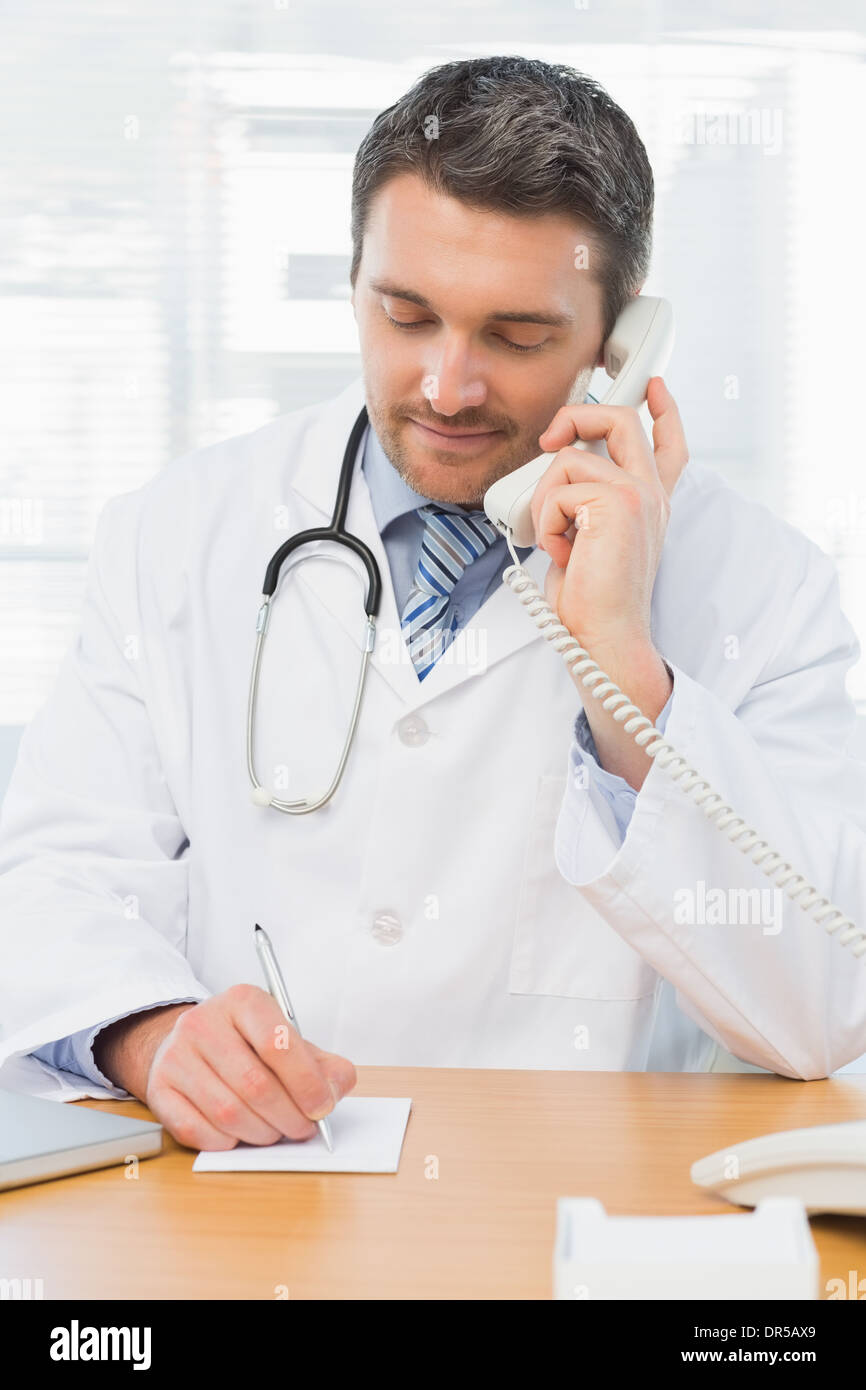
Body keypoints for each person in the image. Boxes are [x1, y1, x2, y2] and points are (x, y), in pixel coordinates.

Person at [2, 56, 865, 1154]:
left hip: (585, 1222)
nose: (447, 387)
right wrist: (151, 1035)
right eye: (405, 315)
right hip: (252, 1211)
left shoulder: (761, 587)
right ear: (354, 283)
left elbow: (823, 1007)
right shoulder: (175, 534)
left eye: (513, 337)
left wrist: (620, 665)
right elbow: (53, 887)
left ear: (619, 342)